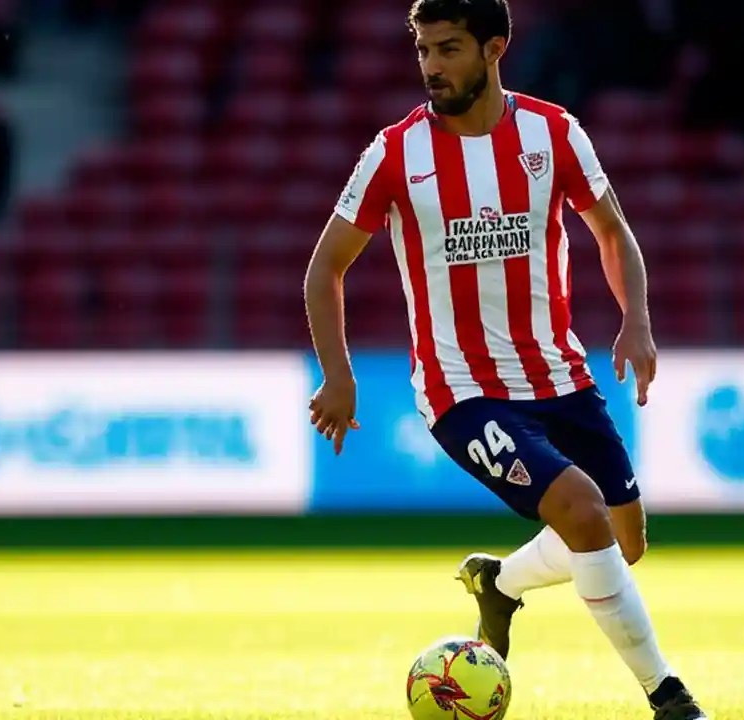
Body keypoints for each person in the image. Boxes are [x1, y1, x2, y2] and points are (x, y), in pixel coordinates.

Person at [302, 2, 707, 719]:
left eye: (448, 49)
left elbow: (612, 232)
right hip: (461, 389)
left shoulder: (553, 134)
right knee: (583, 513)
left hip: (558, 372)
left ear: (495, 48)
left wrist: (636, 321)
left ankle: (502, 583)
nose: (431, 66)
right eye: (423, 50)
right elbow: (324, 267)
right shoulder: (396, 152)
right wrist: (338, 372)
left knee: (624, 540)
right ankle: (667, 695)